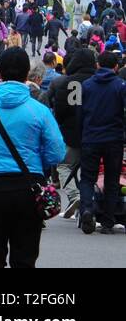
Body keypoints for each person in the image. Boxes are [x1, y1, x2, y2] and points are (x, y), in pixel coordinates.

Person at [0, 47, 66, 268]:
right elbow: (57, 152)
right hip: (29, 188)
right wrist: (37, 159)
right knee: (25, 257)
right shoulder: (40, 111)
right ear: (27, 73)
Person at [76, 51, 126, 235]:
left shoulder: (86, 85)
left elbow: (79, 114)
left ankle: (88, 209)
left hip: (90, 137)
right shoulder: (121, 86)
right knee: (112, 180)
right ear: (115, 67)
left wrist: (81, 135)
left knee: (88, 178)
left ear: (97, 65)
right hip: (114, 139)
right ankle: (108, 221)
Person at [47, 47, 96, 218]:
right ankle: (91, 201)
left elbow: (60, 110)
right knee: (91, 171)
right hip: (95, 133)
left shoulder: (67, 82)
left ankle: (75, 195)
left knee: (65, 166)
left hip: (71, 133)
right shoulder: (96, 81)